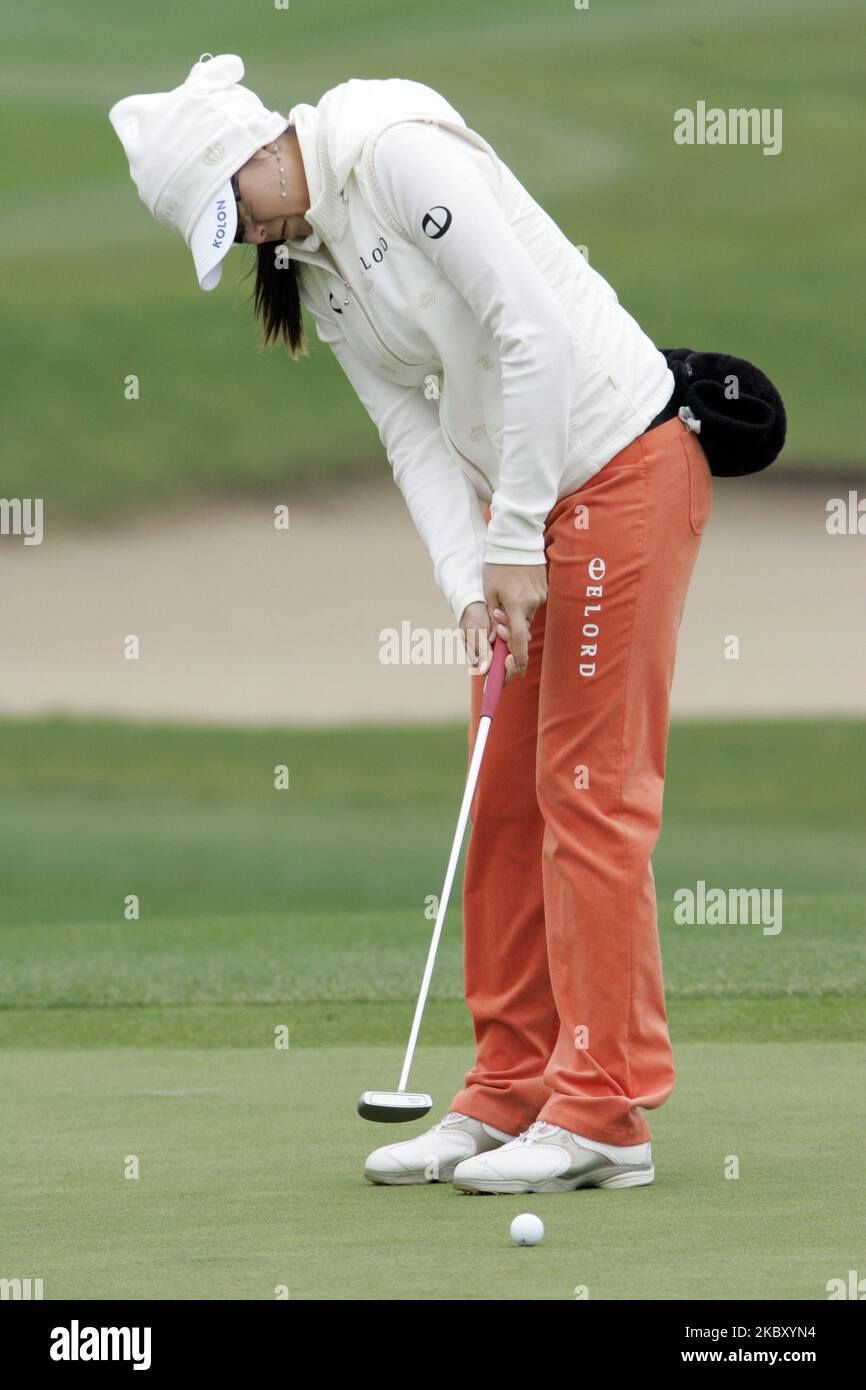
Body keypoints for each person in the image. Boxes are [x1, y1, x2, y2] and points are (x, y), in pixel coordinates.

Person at [110, 52, 713, 1195]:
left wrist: (516, 530)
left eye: (227, 210)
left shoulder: (390, 152)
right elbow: (410, 428)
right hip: (525, 510)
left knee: (586, 795)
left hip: (620, 468)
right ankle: (511, 1085)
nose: (240, 239)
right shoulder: (311, 258)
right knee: (499, 795)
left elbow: (529, 323)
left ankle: (604, 1114)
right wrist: (467, 584)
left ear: (251, 155)